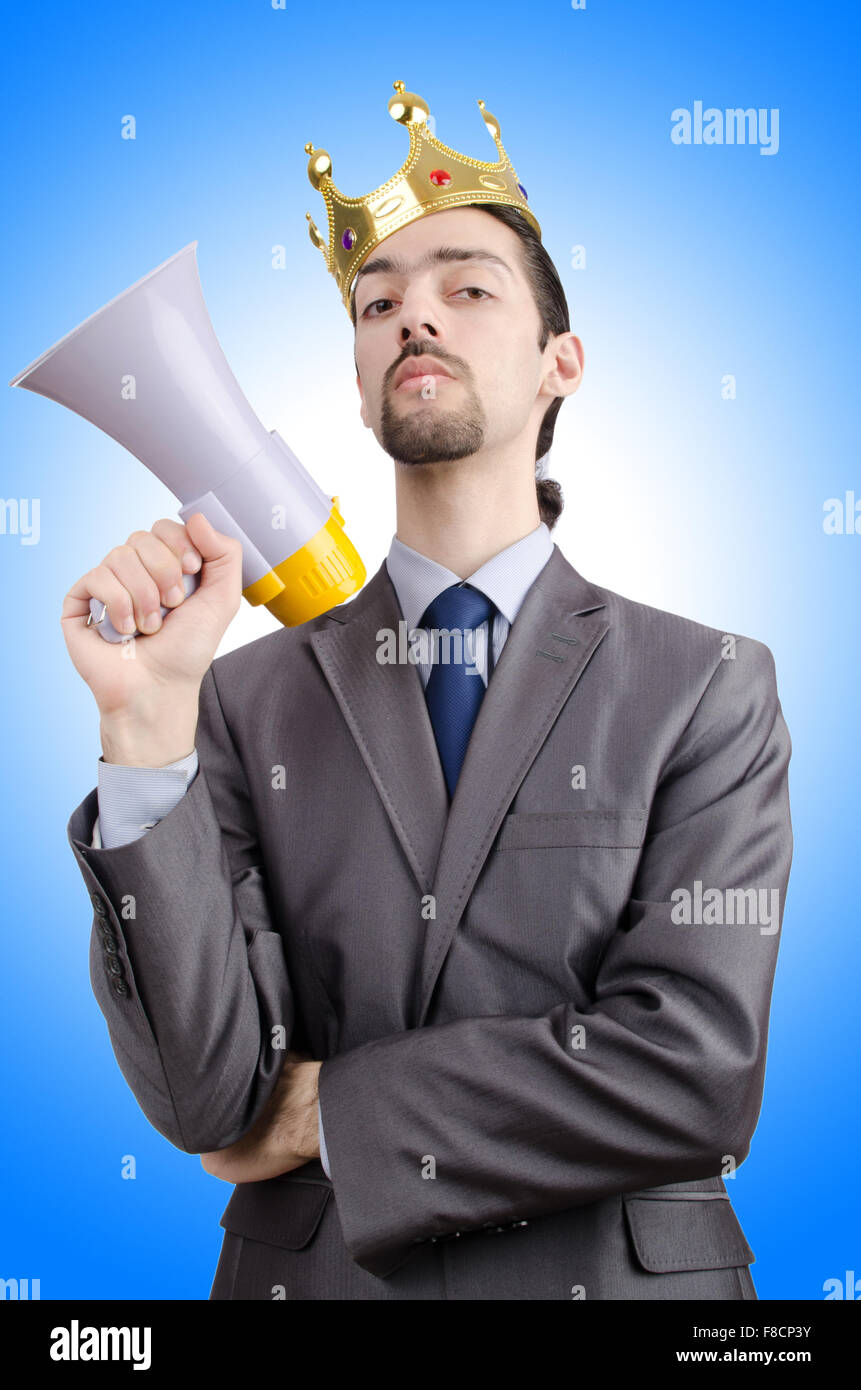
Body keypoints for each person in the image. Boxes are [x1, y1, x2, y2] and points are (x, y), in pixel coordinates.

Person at [62, 83, 792, 1300]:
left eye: (468, 286)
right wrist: (144, 727)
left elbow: (696, 1072)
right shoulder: (235, 698)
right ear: (356, 384)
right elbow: (207, 1100)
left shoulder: (706, 685)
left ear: (563, 360)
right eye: (379, 303)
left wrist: (329, 1115)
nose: (415, 319)